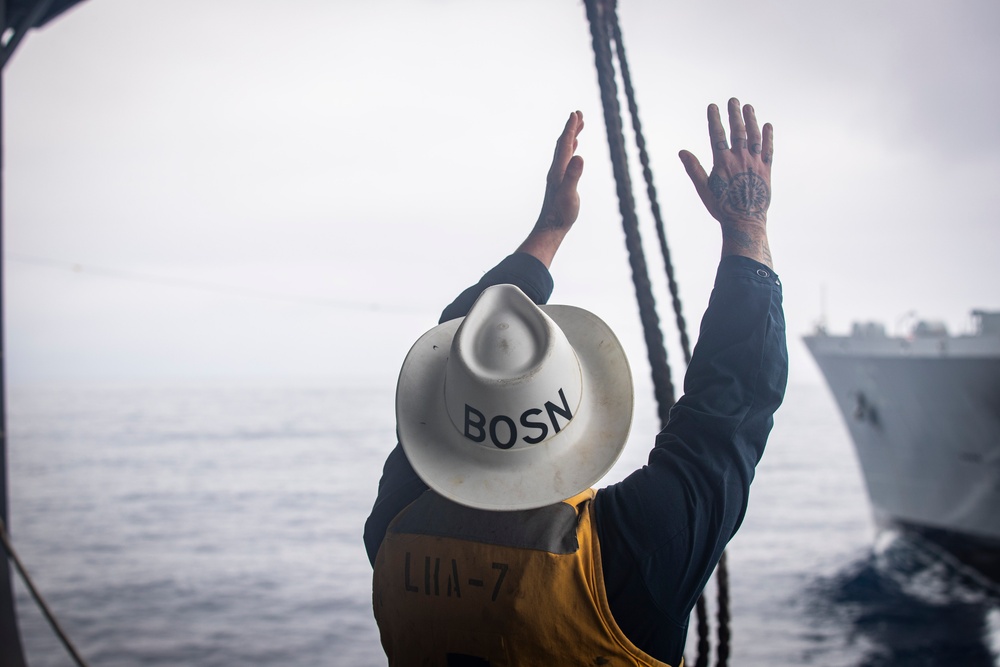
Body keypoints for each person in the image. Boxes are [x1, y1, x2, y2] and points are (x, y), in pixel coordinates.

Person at [364, 98, 787, 667]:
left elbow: (461, 347)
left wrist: (549, 230)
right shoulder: (628, 559)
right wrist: (747, 223)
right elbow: (731, 405)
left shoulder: (393, 528)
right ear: (572, 418)